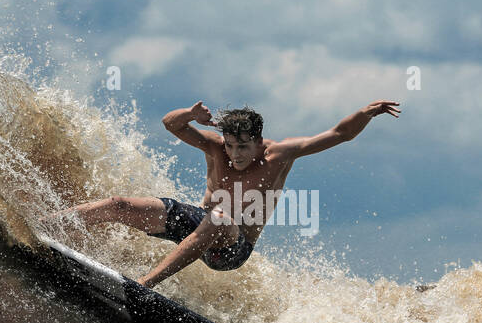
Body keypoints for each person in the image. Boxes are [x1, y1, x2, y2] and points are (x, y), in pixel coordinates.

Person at [50, 99, 400, 288]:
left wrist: (366, 112)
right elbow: (172, 125)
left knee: (219, 218)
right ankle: (45, 227)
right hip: (197, 225)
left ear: (259, 142)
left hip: (232, 249)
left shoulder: (279, 155)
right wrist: (190, 113)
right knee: (118, 204)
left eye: (244, 147)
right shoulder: (216, 147)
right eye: (231, 145)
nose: (235, 154)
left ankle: (144, 284)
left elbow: (339, 134)